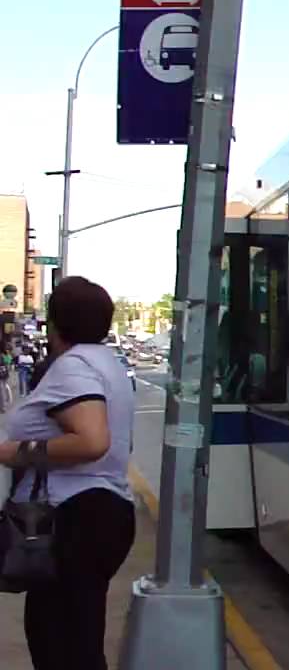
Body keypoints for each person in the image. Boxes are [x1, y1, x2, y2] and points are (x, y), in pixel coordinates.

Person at [0, 277, 135, 670]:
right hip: (98, 514)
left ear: (54, 323)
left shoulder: (75, 367)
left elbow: (92, 440)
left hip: (75, 517)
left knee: (61, 643)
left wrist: (14, 452)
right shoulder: (105, 362)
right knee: (72, 636)